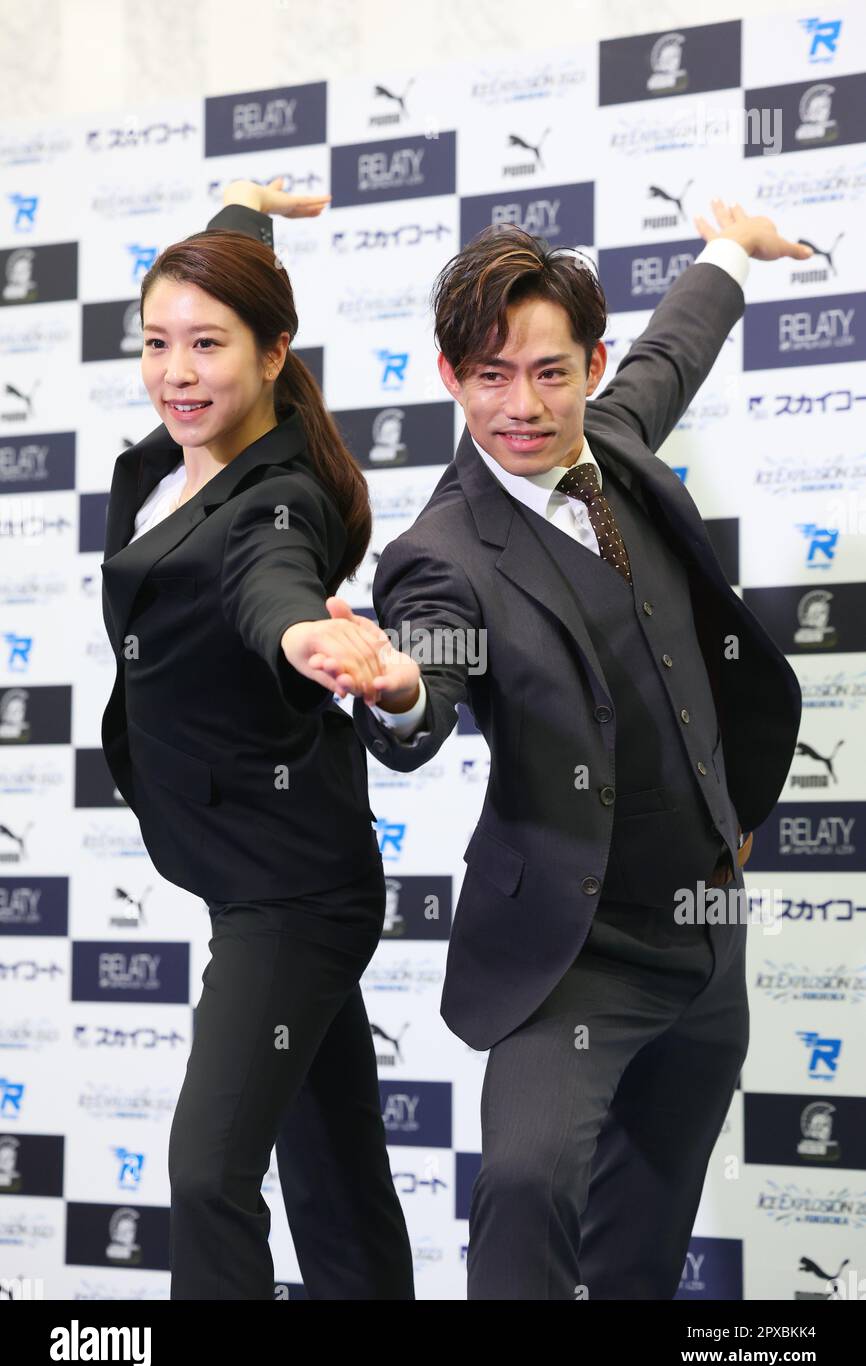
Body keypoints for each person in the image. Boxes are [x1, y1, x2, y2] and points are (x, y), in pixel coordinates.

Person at [311, 200, 811, 1298]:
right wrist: (398, 690)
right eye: (489, 376)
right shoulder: (439, 553)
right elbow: (427, 677)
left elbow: (677, 340)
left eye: (547, 372)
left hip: (709, 928)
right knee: (529, 1187)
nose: (521, 407)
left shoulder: (614, 438)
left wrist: (733, 247)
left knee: (640, 1235)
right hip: (576, 951)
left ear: (589, 364)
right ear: (449, 375)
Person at [100, 178, 413, 1300]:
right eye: (156, 344)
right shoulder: (169, 458)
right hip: (260, 860)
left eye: (208, 346)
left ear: (276, 352)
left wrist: (304, 641)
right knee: (335, 1174)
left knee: (207, 1174)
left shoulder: (281, 497)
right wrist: (241, 209)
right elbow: (229, 277)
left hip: (291, 891)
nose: (177, 372)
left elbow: (267, 582)